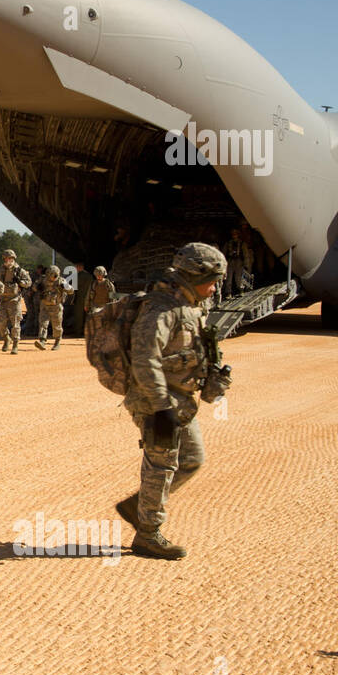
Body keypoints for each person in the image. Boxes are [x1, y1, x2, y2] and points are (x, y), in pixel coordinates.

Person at [114, 243, 230, 560]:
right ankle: (148, 534)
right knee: (161, 465)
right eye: (213, 280)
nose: (214, 287)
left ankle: (139, 507)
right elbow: (144, 359)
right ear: (195, 276)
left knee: (192, 459)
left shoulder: (191, 306)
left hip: (179, 400)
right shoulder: (160, 310)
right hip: (155, 400)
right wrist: (161, 406)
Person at [0, 249, 32, 354]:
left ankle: (15, 344)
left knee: (15, 324)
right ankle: (6, 339)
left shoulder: (20, 271)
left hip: (15, 301)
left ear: (13, 259)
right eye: (5, 258)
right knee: (0, 324)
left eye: (9, 258)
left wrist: (20, 282)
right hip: (3, 300)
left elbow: (29, 282)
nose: (7, 260)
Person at [33, 265, 72, 350]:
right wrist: (37, 287)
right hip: (44, 305)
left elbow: (71, 291)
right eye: (50, 275)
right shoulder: (42, 279)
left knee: (56, 325)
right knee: (43, 323)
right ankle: (42, 341)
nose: (52, 277)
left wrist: (65, 287)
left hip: (56, 306)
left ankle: (57, 342)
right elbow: (34, 287)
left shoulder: (61, 281)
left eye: (54, 275)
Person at [222, 227, 253, 299]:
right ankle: (228, 292)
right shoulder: (228, 243)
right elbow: (223, 253)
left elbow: (246, 254)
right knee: (229, 277)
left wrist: (246, 264)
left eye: (235, 234)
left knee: (238, 277)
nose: (234, 235)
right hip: (230, 261)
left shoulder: (242, 243)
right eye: (233, 234)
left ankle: (241, 290)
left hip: (239, 262)